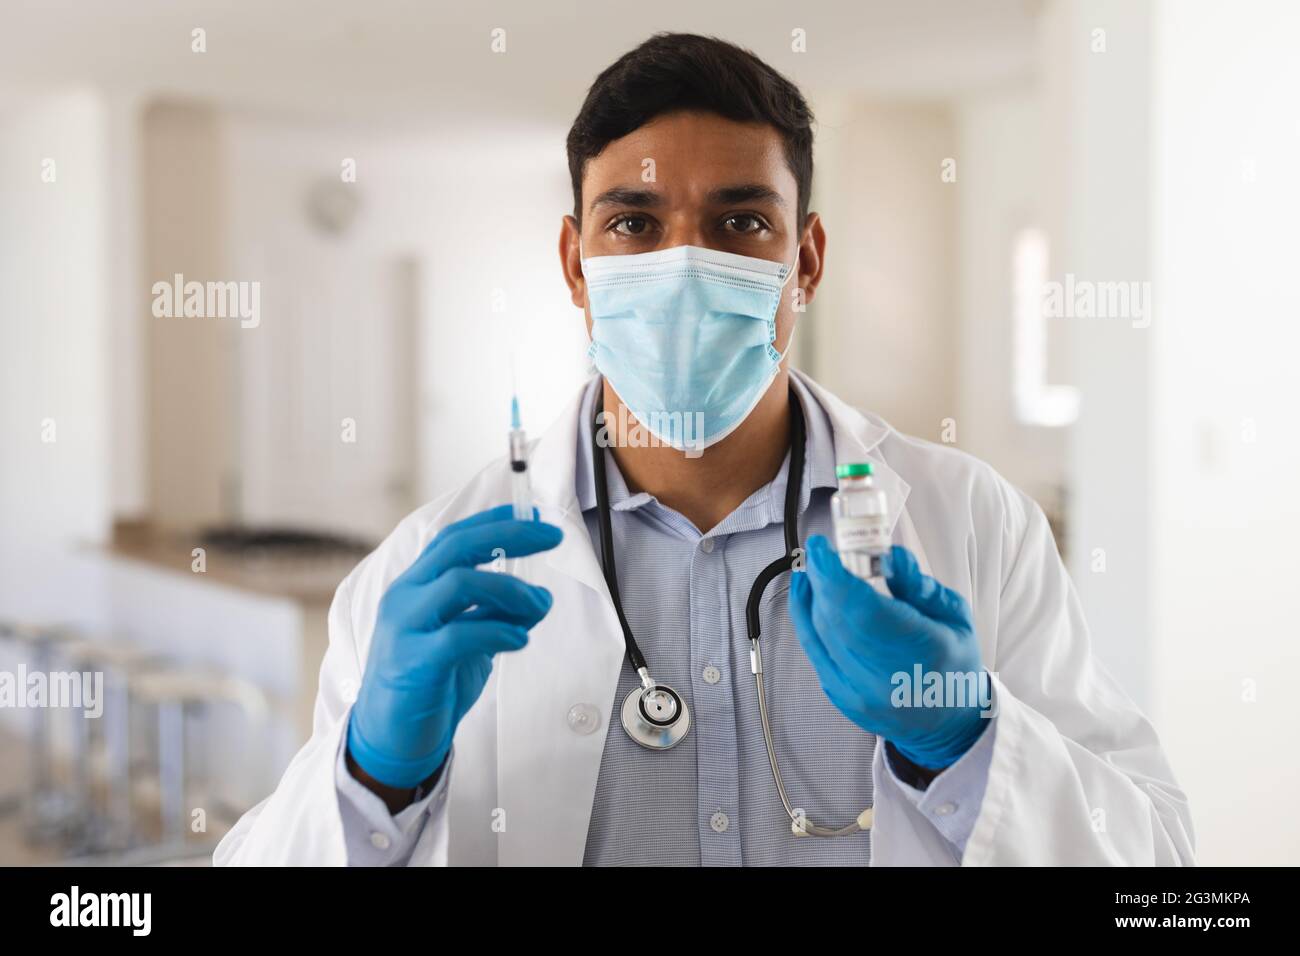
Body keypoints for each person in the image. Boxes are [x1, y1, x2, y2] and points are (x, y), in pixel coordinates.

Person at [215, 33, 1193, 866]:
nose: (683, 266)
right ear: (576, 262)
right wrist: (374, 774)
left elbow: (1162, 865)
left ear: (803, 259)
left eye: (739, 222)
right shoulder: (429, 568)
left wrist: (967, 736)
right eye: (633, 223)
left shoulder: (974, 526)